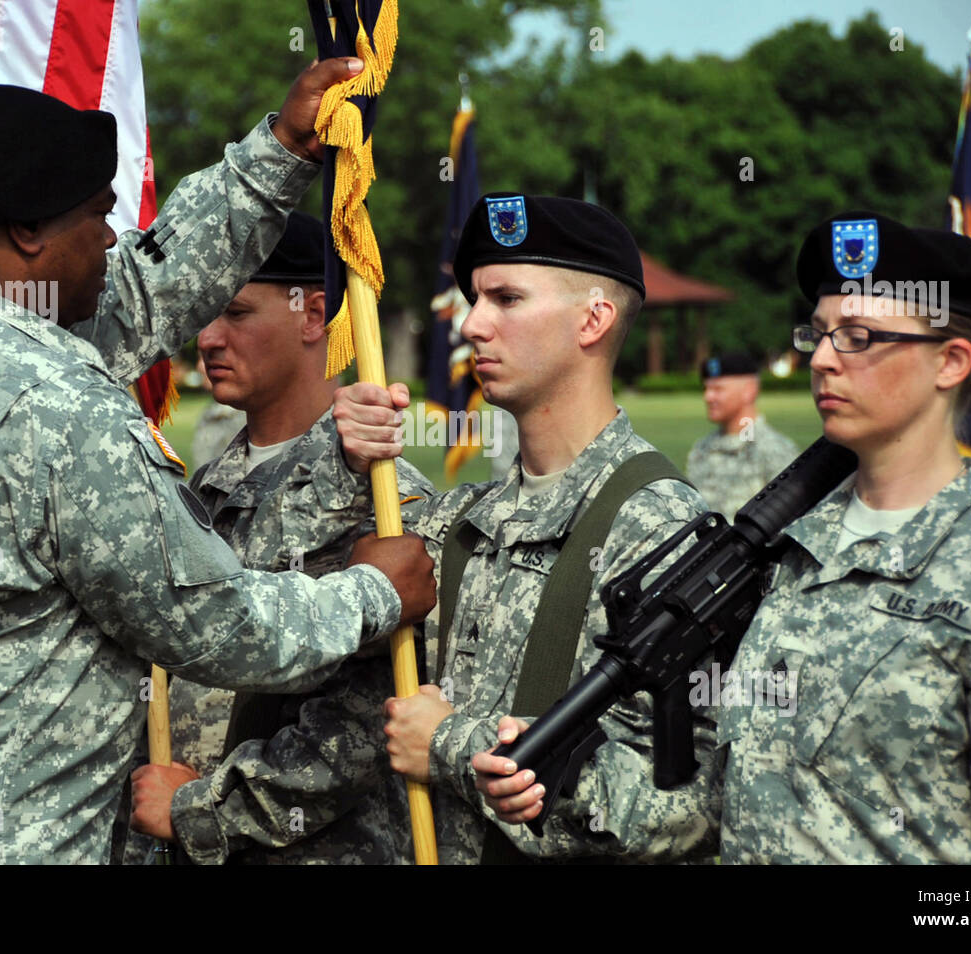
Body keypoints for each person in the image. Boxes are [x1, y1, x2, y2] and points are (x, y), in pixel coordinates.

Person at [0, 68, 436, 865]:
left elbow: (141, 290)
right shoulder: (59, 410)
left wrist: (279, 153)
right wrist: (373, 594)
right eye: (99, 218)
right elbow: (213, 627)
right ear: (29, 235)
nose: (110, 241)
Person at [481, 211, 971, 863]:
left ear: (950, 362)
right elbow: (723, 805)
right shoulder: (784, 559)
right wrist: (574, 778)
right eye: (820, 332)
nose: (823, 359)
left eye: (858, 336)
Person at [287, 193, 723, 864]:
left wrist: (455, 745)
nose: (474, 325)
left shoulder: (662, 530)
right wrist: (345, 468)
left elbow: (687, 809)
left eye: (507, 300)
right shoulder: (461, 522)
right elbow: (298, 615)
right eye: (475, 300)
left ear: (594, 319)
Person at [126, 212, 434, 863]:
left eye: (235, 312)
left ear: (313, 314)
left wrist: (199, 809)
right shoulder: (206, 485)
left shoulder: (383, 496)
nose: (206, 337)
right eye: (202, 313)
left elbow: (361, 731)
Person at [686, 351, 799, 521]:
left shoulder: (775, 451)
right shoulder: (701, 448)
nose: (708, 397)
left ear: (749, 391)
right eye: (706, 388)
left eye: (718, 389)